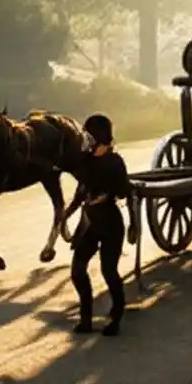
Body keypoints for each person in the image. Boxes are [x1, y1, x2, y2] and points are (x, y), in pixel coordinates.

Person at [70, 113, 134, 336]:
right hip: (89, 223)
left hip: (110, 224)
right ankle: (85, 319)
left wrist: (133, 224)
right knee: (77, 271)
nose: (86, 139)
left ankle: (116, 318)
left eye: (89, 134)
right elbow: (81, 190)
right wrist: (65, 215)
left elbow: (127, 192)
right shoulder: (85, 159)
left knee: (109, 272)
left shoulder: (115, 162)